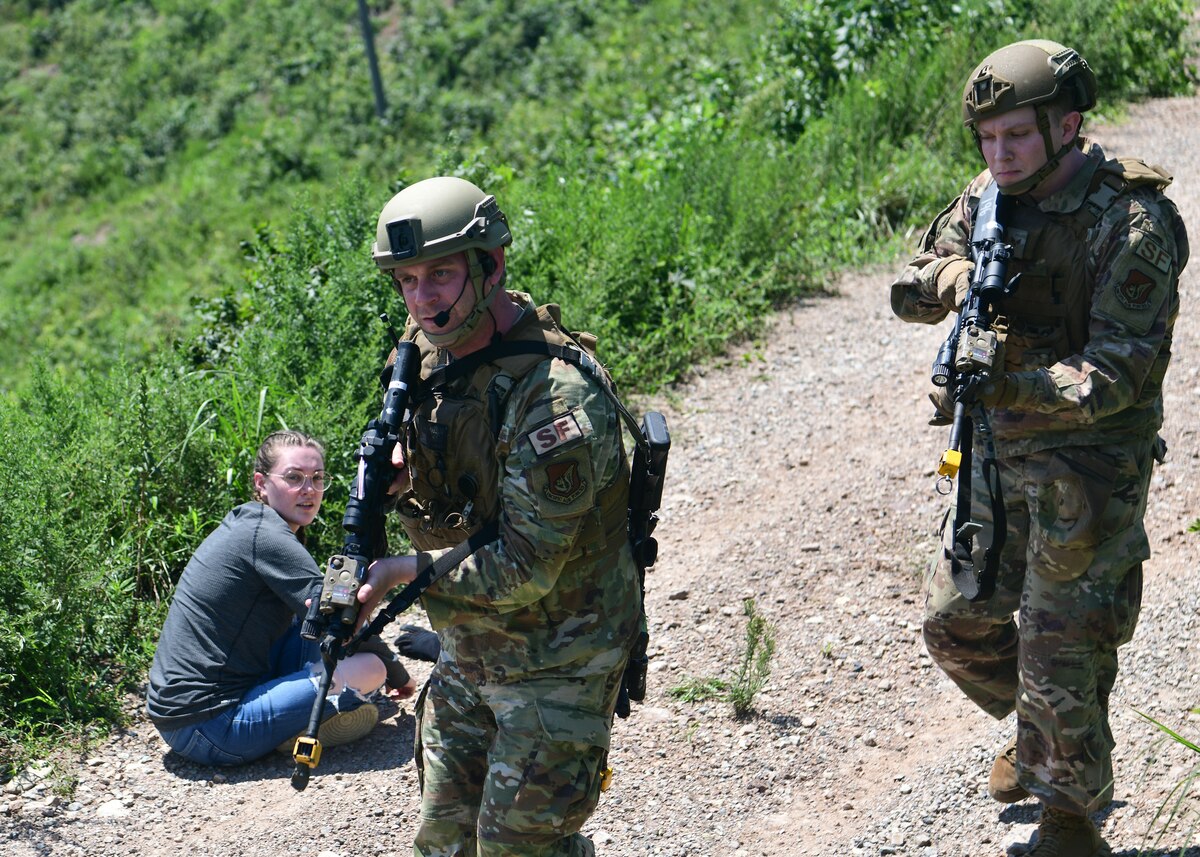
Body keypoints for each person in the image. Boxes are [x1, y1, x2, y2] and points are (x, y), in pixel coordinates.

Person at [890, 40, 1188, 856]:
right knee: (957, 623)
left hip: (1087, 466)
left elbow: (1117, 374)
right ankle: (1043, 731)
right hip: (993, 453)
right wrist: (951, 282)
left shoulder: (1131, 221)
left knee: (1063, 643)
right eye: (987, 139)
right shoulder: (989, 199)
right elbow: (911, 284)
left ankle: (1068, 816)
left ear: (1068, 126)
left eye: (1016, 136)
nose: (1000, 155)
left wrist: (1015, 382)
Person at [355, 176, 641, 856]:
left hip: (558, 656)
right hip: (474, 643)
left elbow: (526, 566)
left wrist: (403, 572)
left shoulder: (555, 403)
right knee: (444, 844)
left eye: (441, 275)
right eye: (407, 280)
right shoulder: (431, 350)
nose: (422, 300)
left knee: (515, 846)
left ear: (492, 265)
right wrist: (401, 474)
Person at [146, 429, 416, 766]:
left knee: (309, 628)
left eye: (317, 478)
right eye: (294, 477)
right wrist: (396, 673)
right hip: (209, 728)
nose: (309, 490)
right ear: (261, 483)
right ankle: (292, 727)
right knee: (370, 669)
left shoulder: (252, 523)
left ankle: (294, 717)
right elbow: (341, 619)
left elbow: (321, 614)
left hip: (186, 718)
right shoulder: (267, 537)